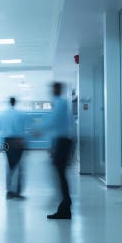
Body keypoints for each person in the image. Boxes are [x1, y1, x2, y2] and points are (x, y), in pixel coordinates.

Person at [45, 82, 74, 219]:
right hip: (62, 141)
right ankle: (65, 204)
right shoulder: (61, 103)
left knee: (60, 173)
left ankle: (66, 206)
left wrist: (39, 130)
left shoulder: (60, 103)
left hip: (63, 141)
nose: (52, 91)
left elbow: (54, 122)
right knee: (60, 173)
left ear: (58, 89)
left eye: (54, 88)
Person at [0, 97, 27, 199]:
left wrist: (1, 144)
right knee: (18, 166)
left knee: (10, 166)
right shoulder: (21, 114)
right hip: (18, 141)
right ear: (15, 103)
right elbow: (24, 128)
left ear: (9, 103)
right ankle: (17, 192)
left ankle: (9, 191)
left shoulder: (2, 115)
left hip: (7, 141)